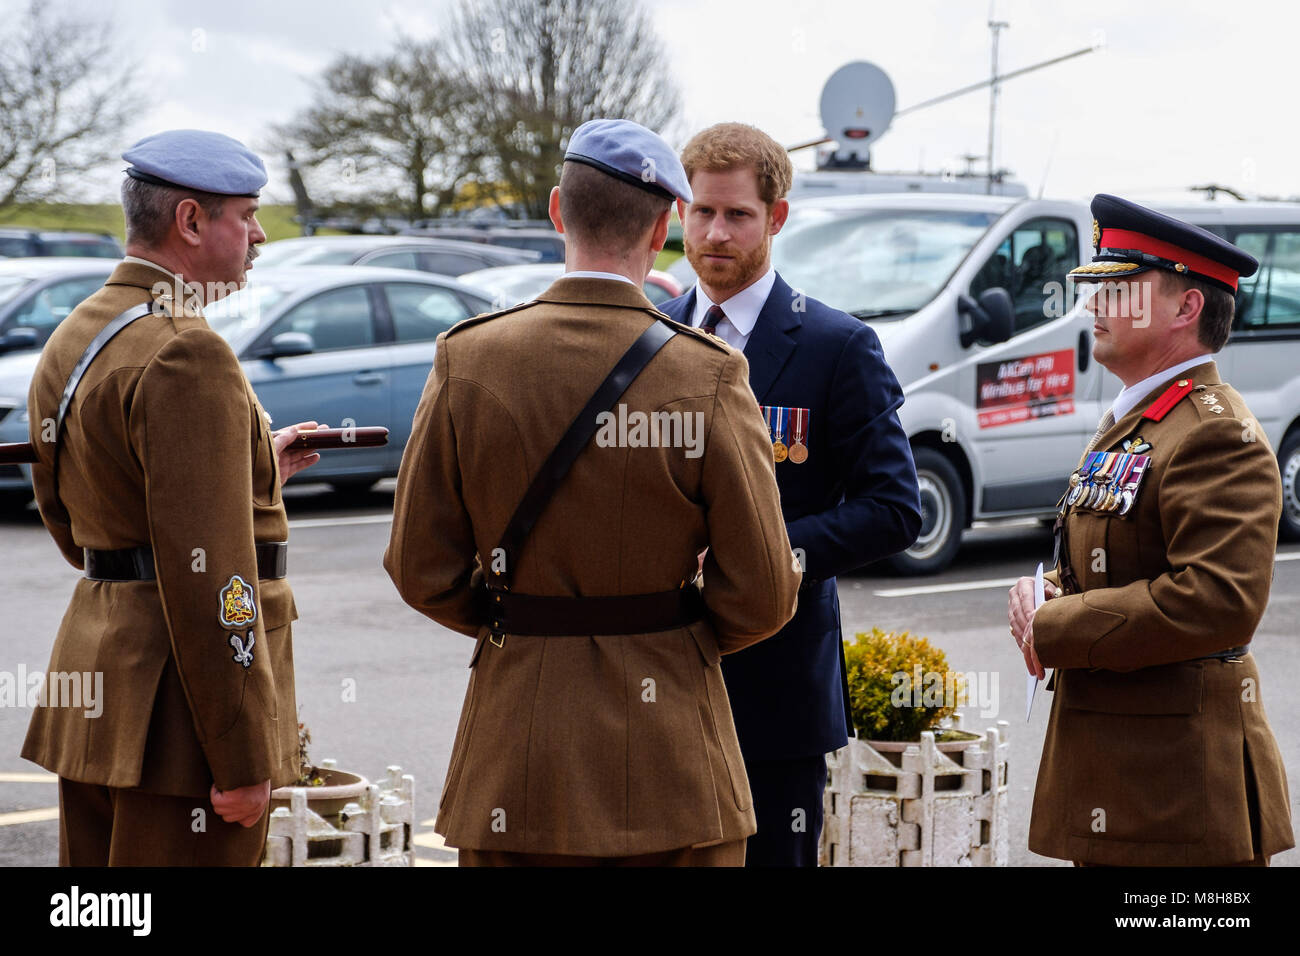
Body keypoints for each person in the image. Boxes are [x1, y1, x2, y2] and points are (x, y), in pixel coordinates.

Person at [384, 118, 802, 867]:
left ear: (555, 211)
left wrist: (519, 622)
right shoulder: (708, 374)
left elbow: (419, 568)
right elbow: (765, 591)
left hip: (515, 759)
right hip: (674, 761)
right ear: (666, 225)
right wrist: (677, 638)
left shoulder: (467, 358)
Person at [23, 129, 320, 866]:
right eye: (246, 215)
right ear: (190, 221)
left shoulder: (76, 332)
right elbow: (214, 577)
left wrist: (249, 479)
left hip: (99, 688)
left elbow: (79, 523)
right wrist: (243, 753)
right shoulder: (187, 349)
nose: (258, 237)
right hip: (180, 727)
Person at [659, 123, 922, 867]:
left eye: (738, 214)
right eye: (702, 211)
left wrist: (769, 554)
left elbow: (896, 507)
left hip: (776, 689)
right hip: (660, 676)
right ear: (680, 212)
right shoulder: (650, 335)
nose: (715, 232)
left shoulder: (837, 347)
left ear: (776, 217)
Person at [1008, 194, 1294, 866]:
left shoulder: (1213, 430)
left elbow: (1218, 602)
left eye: (1118, 287)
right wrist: (1047, 591)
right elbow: (1115, 557)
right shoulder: (1142, 420)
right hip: (1126, 779)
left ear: (1185, 308)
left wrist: (1055, 625)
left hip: (1178, 795)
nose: (1093, 306)